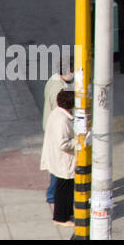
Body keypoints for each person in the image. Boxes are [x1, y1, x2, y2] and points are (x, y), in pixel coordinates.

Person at [40, 89, 77, 227]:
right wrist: (78, 141)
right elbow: (63, 144)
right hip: (63, 161)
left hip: (59, 159)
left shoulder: (56, 113)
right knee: (64, 191)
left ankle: (66, 213)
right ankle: (61, 217)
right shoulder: (62, 121)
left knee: (65, 189)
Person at [42, 68, 73, 205]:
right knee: (58, 168)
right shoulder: (58, 90)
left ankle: (53, 194)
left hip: (52, 128)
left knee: (56, 165)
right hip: (57, 132)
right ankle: (52, 195)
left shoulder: (54, 80)